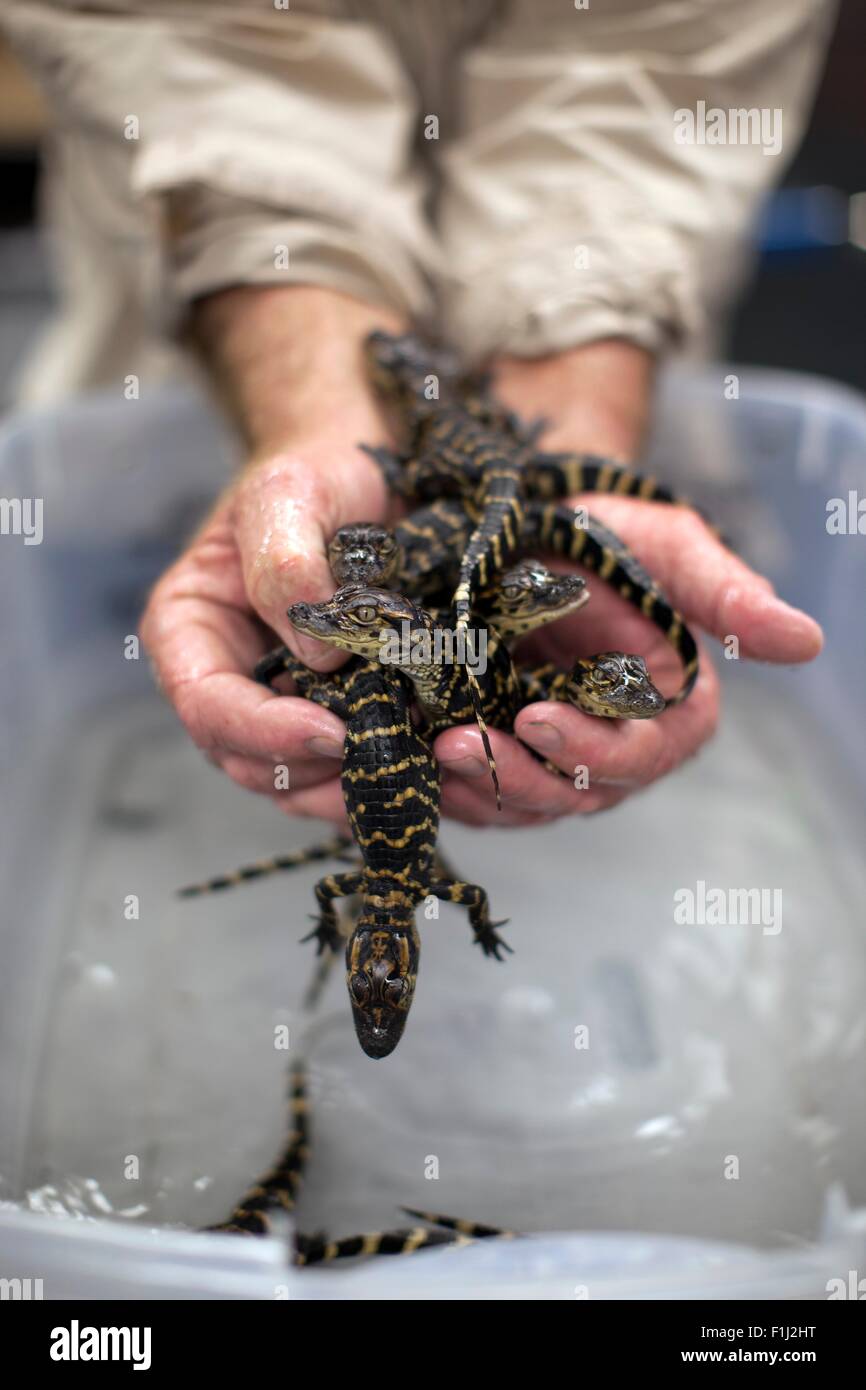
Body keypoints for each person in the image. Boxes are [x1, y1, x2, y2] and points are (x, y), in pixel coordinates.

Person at [3, 1, 831, 829]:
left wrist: (568, 391)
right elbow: (186, 49)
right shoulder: (414, 570)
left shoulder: (482, 581)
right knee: (205, 653)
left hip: (561, 386)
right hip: (184, 348)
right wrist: (319, 418)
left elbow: (650, 82)